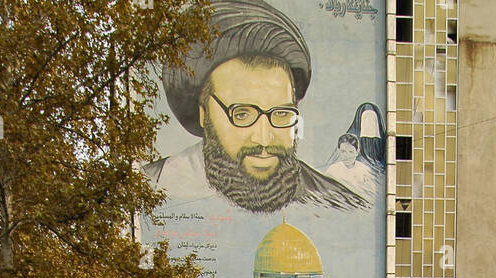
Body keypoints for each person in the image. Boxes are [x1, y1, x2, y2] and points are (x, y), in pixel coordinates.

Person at [144, 0, 368, 214]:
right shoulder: (148, 187)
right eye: (241, 114)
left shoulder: (336, 201)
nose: (263, 139)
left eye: (281, 114)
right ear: (204, 114)